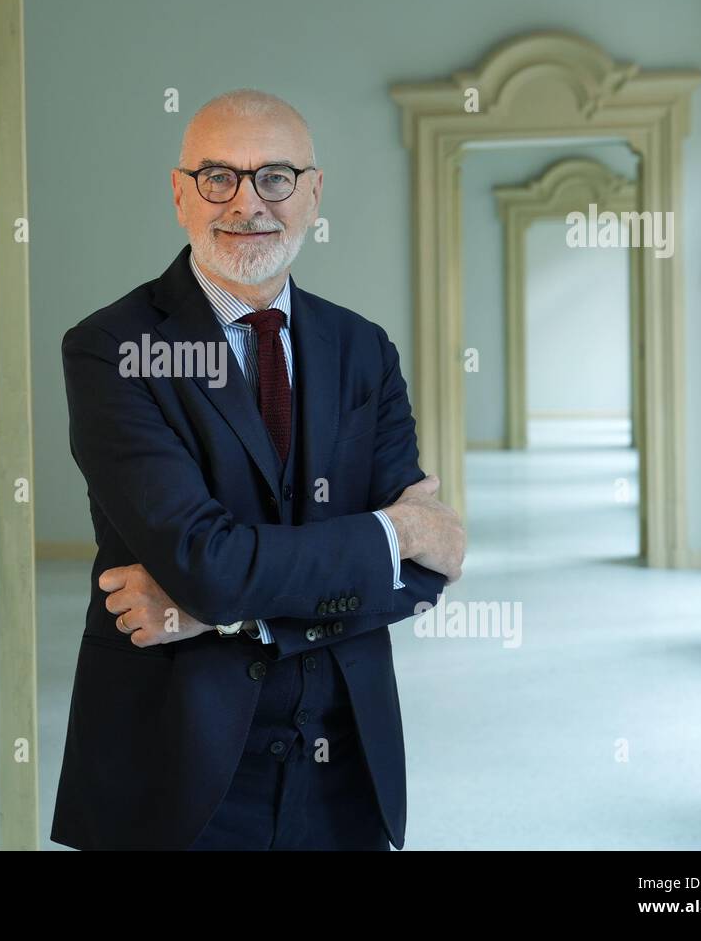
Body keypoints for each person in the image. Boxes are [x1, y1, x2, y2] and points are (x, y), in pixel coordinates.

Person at [51, 89, 465, 851]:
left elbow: (428, 572)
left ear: (312, 193)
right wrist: (395, 530)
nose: (247, 203)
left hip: (345, 769)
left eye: (275, 177)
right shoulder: (113, 348)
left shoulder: (362, 347)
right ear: (180, 193)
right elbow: (209, 562)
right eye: (218, 177)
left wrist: (225, 613)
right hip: (177, 774)